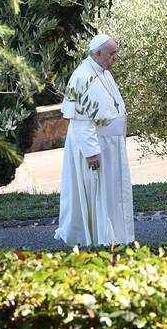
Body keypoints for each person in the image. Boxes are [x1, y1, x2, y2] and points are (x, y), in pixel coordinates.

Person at [54, 34, 134, 247]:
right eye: (111, 54)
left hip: (110, 146)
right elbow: (81, 121)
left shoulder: (103, 73)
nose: (115, 58)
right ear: (97, 53)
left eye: (116, 53)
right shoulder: (82, 77)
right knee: (99, 194)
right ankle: (101, 238)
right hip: (96, 148)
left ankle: (115, 237)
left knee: (112, 194)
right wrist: (91, 153)